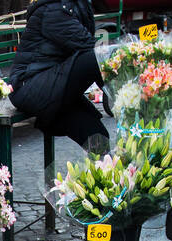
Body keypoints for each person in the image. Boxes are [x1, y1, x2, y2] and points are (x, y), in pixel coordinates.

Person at [8, 0, 108, 149]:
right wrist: (119, 96)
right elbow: (88, 47)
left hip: (54, 82)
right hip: (29, 85)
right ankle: (125, 102)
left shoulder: (75, 5)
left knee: (98, 137)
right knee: (93, 58)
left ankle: (106, 168)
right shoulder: (53, 10)